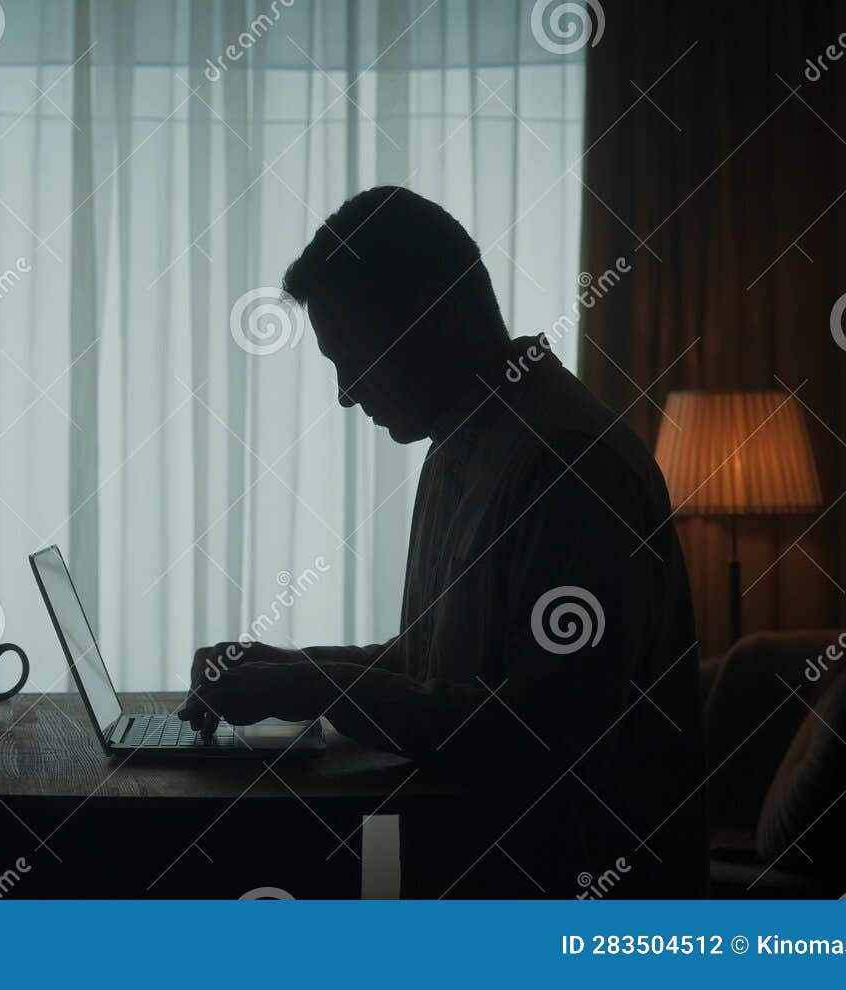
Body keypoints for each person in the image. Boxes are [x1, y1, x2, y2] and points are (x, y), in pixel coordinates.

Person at [178, 186, 706, 898]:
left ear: (440, 318)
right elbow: (442, 667)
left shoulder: (567, 465)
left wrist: (318, 685)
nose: (345, 392)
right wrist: (292, 670)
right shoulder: (465, 444)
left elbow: (538, 744)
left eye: (353, 358)